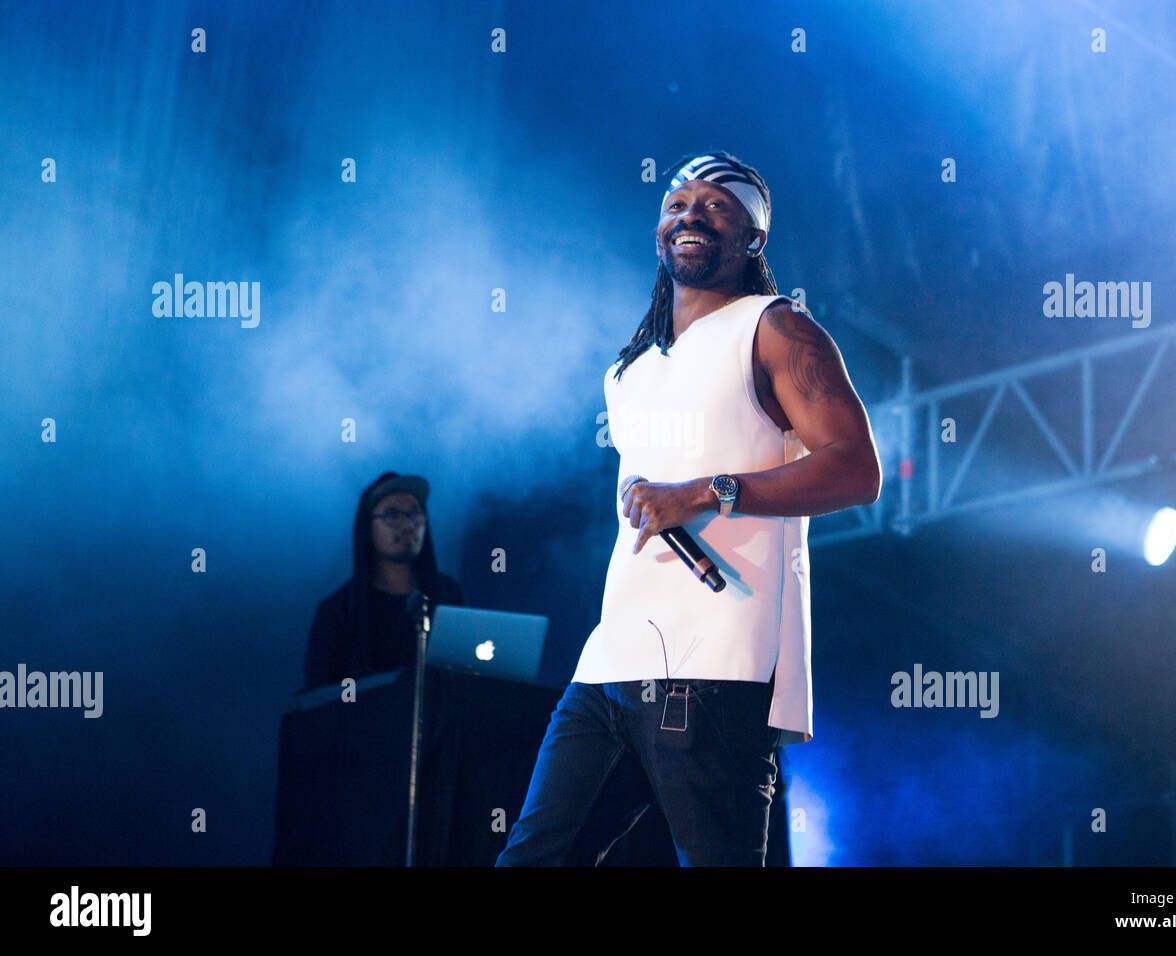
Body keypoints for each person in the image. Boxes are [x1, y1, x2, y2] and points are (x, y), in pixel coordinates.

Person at [497, 151, 881, 866]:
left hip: (716, 660)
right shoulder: (628, 369)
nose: (690, 215)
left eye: (715, 206)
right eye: (677, 204)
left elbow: (857, 471)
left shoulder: (776, 329)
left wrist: (709, 491)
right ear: (658, 231)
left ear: (753, 239)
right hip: (612, 654)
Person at [302, 472, 465, 690]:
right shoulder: (339, 611)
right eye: (392, 515)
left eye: (415, 512)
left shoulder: (446, 595)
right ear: (367, 528)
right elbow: (318, 700)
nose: (408, 525)